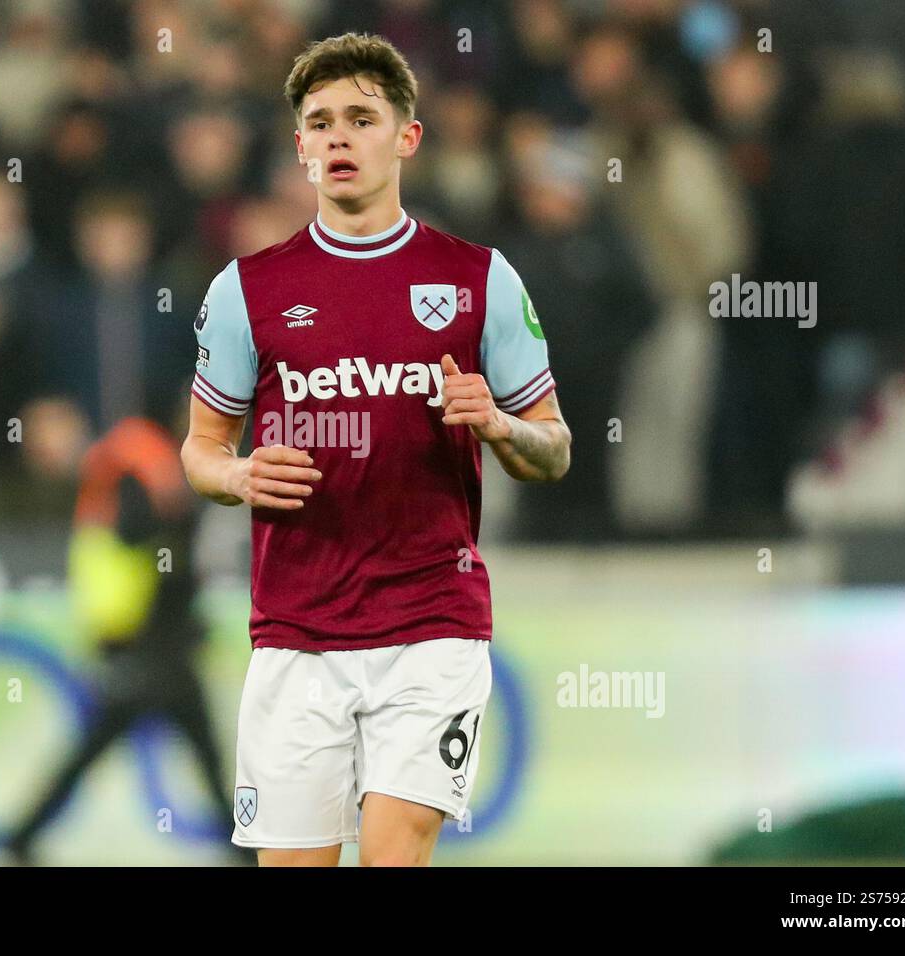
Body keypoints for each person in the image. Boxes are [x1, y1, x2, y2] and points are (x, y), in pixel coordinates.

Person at [179, 33, 572, 867]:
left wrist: (501, 427)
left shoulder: (480, 279)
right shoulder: (246, 291)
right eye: (319, 123)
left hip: (432, 621)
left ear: (407, 136)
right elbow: (200, 452)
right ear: (299, 147)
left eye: (361, 118)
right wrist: (240, 472)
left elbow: (556, 447)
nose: (338, 138)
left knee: (393, 856)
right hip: (295, 630)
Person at [6, 415, 249, 865]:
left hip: (142, 656)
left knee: (91, 753)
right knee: (204, 758)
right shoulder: (152, 486)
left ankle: (21, 837)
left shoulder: (133, 480)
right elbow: (156, 559)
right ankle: (241, 849)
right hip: (158, 658)